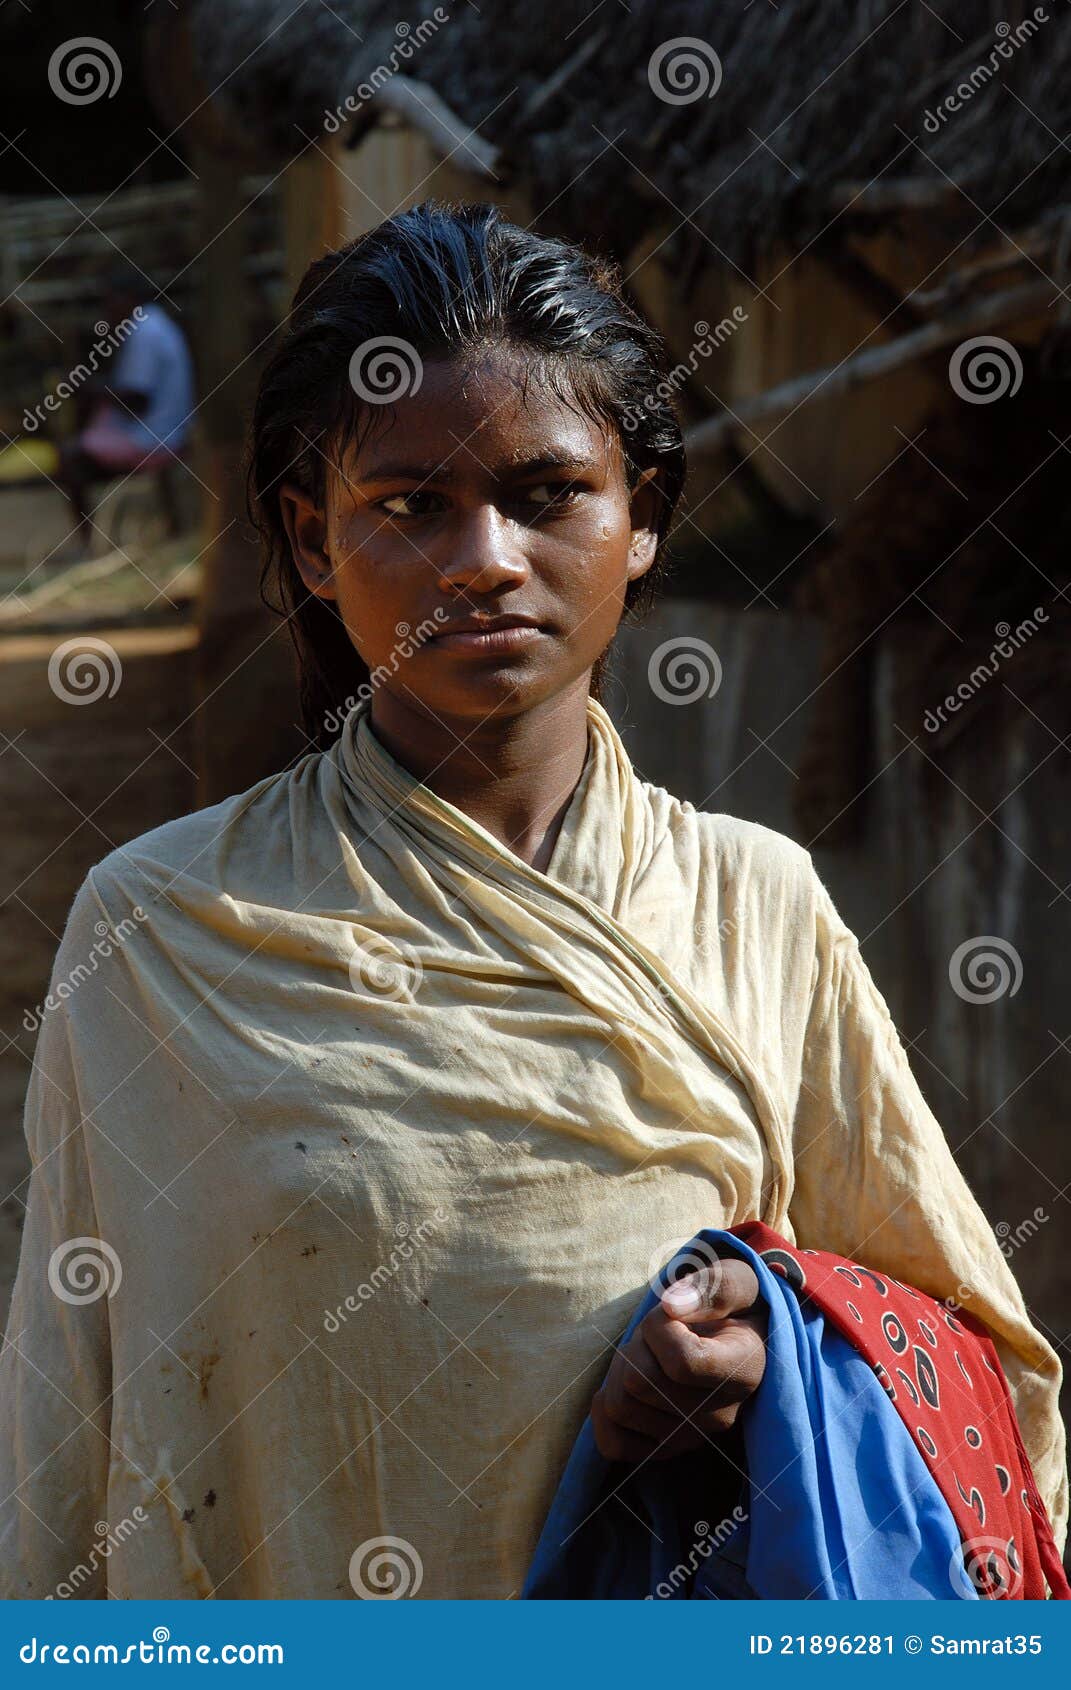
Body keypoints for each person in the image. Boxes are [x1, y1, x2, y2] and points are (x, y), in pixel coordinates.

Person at [0, 202, 1065, 1600]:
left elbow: (974, 1373)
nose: (484, 558)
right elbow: (72, 1427)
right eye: (408, 504)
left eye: (547, 492)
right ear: (311, 542)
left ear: (641, 522)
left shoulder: (755, 905)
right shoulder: (161, 928)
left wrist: (775, 1358)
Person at [55, 267, 195, 556]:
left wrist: (90, 389)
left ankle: (87, 546)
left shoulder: (145, 331)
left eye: (109, 301)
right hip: (167, 430)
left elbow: (136, 402)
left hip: (155, 437)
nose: (106, 311)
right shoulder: (155, 324)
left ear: (128, 299)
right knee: (90, 428)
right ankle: (163, 527)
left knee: (70, 458)